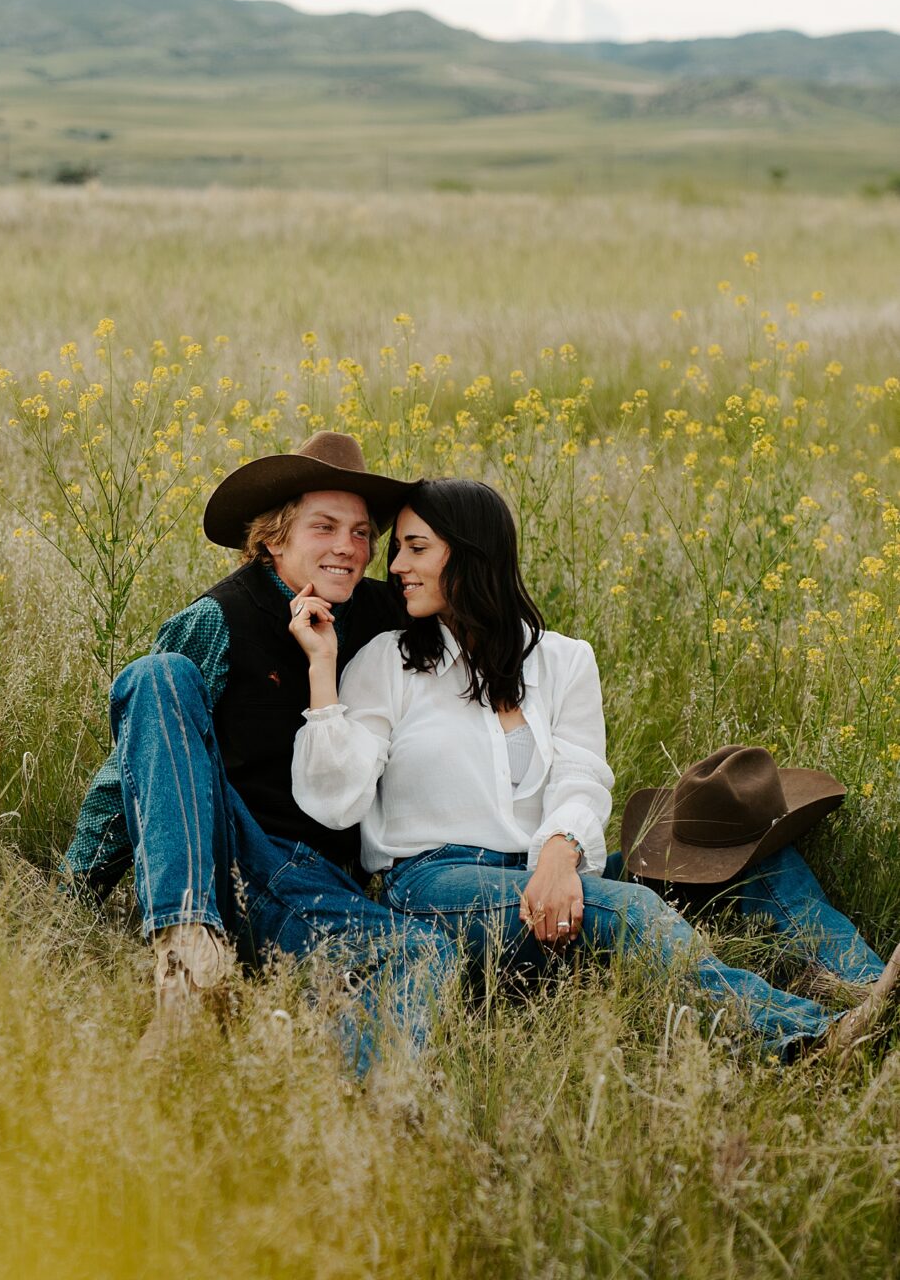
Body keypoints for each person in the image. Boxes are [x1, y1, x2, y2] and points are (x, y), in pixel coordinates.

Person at [290, 477, 900, 1060]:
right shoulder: (385, 664)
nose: (394, 566)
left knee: (756, 854)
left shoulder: (562, 661)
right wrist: (322, 669)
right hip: (434, 884)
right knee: (631, 912)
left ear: (473, 554)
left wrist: (559, 854)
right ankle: (810, 1039)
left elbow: (582, 776)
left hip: (550, 866)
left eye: (416, 548)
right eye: (395, 549)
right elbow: (335, 800)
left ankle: (873, 995)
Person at [63, 432, 455, 1071]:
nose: (348, 549)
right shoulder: (221, 617)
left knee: (423, 951)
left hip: (318, 882)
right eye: (324, 527)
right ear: (274, 537)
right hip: (223, 857)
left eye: (361, 534)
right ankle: (188, 969)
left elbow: (476, 642)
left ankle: (349, 1097)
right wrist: (74, 897)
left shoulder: (387, 615)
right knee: (158, 675)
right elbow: (138, 760)